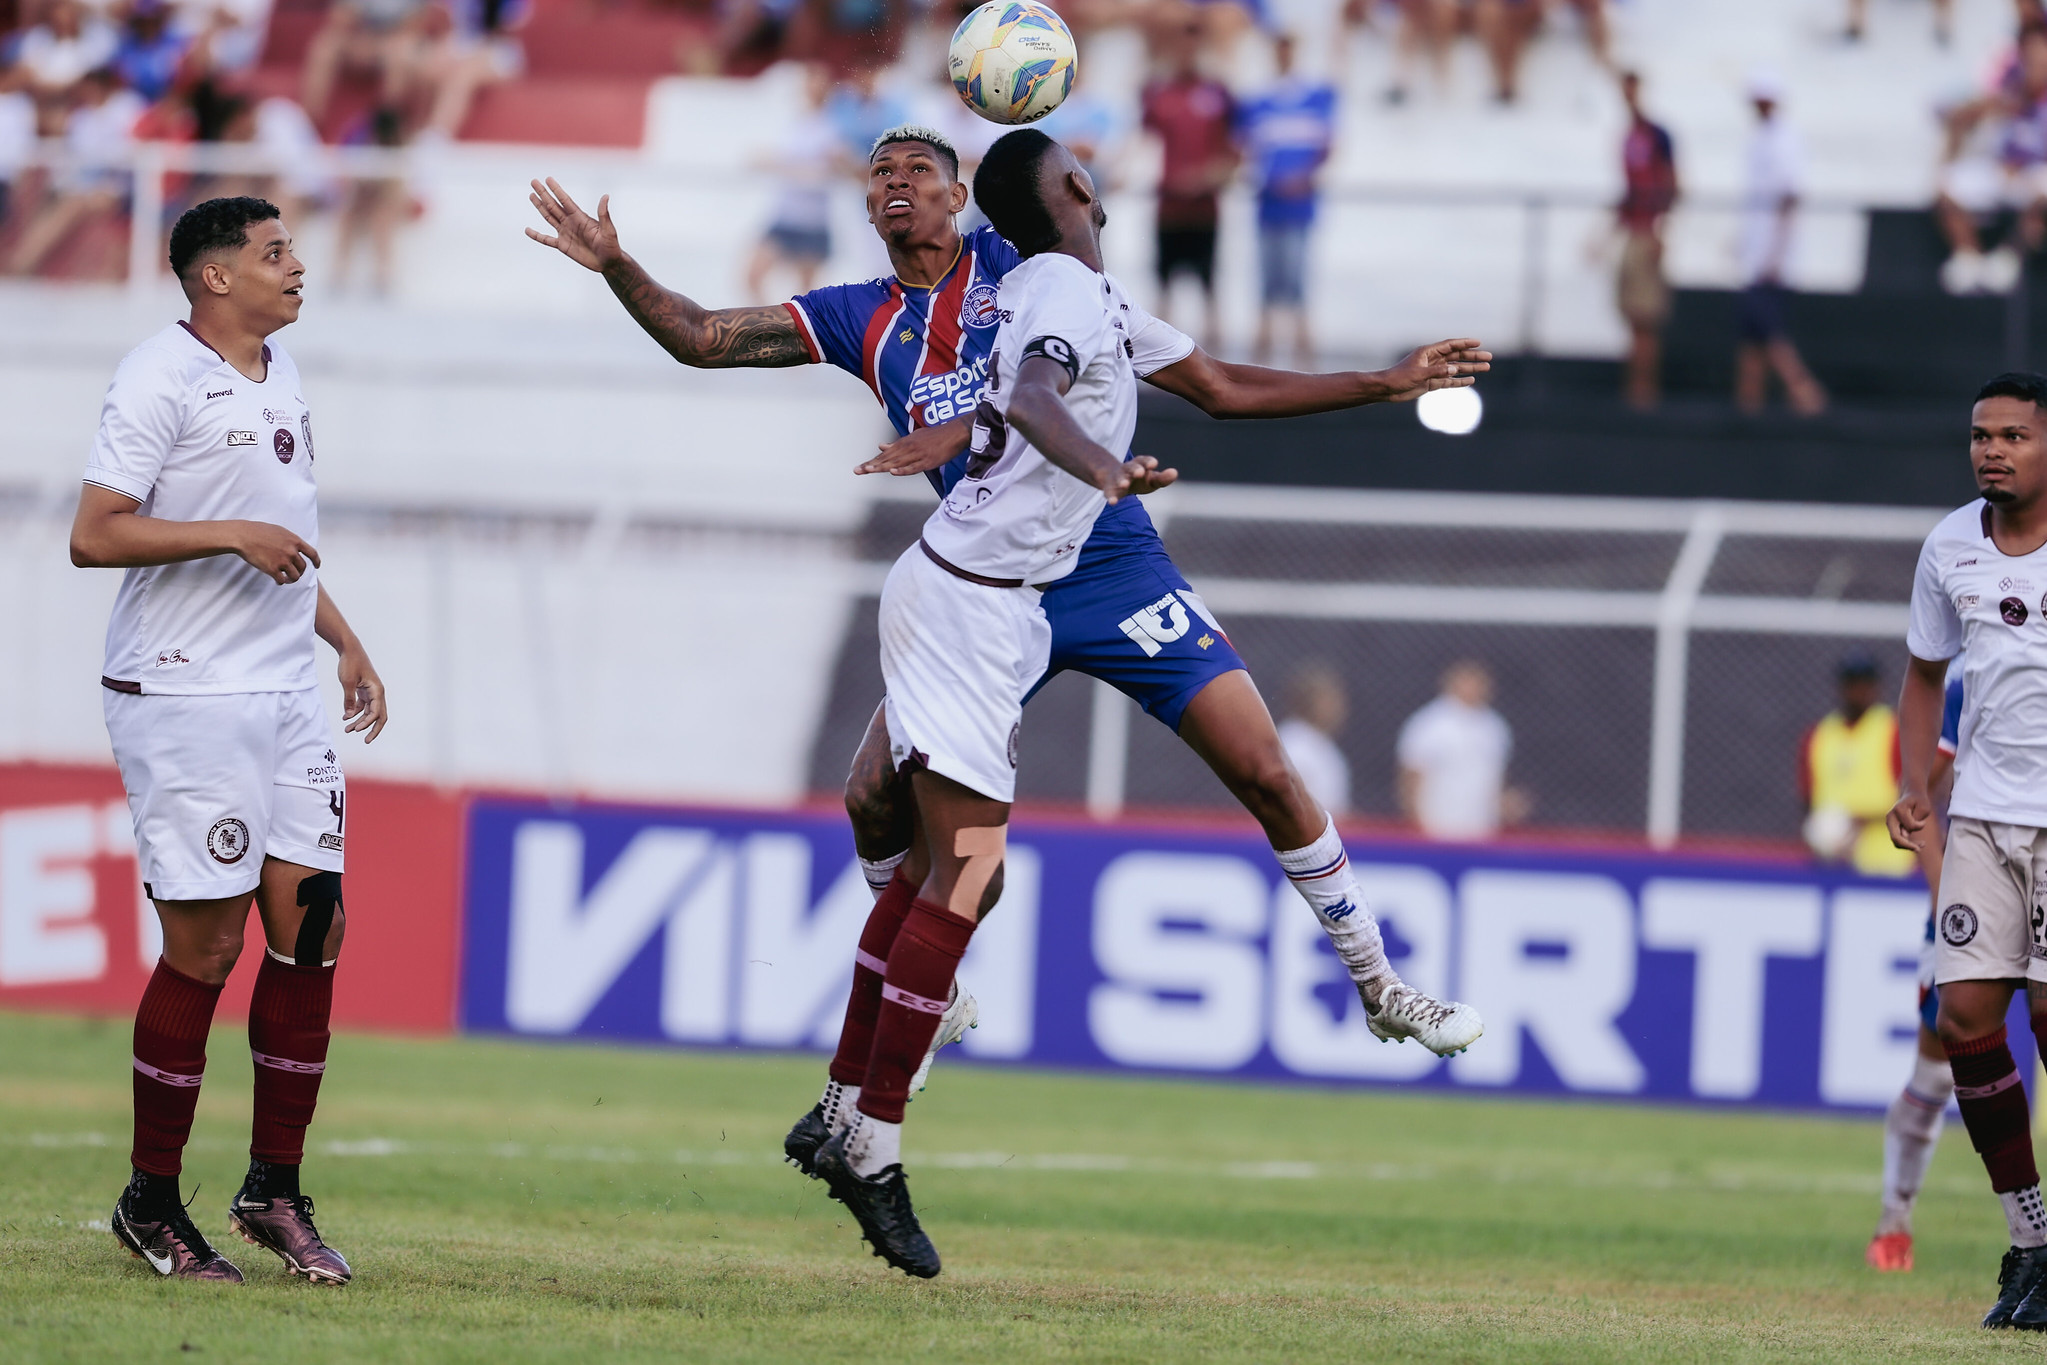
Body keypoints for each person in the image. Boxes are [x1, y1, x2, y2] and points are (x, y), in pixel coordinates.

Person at [524, 126, 1488, 1192]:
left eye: (918, 172)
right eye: (879, 174)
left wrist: (1384, 381)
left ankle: (1381, 983)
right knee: (868, 802)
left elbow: (1210, 382)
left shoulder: (1034, 276)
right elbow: (704, 336)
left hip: (1112, 566)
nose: (896, 184)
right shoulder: (858, 315)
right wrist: (618, 266)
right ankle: (934, 994)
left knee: (1263, 769)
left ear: (960, 199)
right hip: (985, 589)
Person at [69, 196, 387, 1284]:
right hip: (186, 695)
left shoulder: (279, 374)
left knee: (316, 931)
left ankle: (273, 1191)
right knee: (206, 951)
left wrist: (342, 640)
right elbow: (94, 531)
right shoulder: (158, 376)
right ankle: (150, 1200)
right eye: (273, 252)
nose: (297, 265)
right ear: (214, 278)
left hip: (287, 690)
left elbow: (281, 538)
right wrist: (227, 534)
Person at [1889, 369, 2047, 1328]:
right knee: (1963, 1019)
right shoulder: (1949, 542)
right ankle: (2029, 1245)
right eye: (1981, 435)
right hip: (1984, 818)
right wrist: (1916, 785)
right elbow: (1921, 673)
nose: (1992, 449)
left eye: (2013, 436)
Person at [1868, 665, 1963, 1274]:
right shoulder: (1974, 679)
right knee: (1937, 1072)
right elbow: (1923, 797)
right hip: (1980, 888)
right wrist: (1947, 896)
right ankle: (1895, 1216)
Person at [1236, 33, 1335, 367]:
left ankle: (1301, 349)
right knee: (1267, 275)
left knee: (1296, 275)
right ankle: (1265, 347)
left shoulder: (1316, 97)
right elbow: (1246, 147)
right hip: (1269, 201)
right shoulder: (1260, 102)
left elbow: (1327, 146)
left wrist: (1302, 179)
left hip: (1298, 203)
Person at [1734, 71, 1826, 417]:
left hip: (1771, 259)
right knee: (1752, 338)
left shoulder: (1784, 140)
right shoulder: (1762, 139)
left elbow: (1790, 196)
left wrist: (1775, 253)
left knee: (1767, 333)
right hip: (1759, 255)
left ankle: (1806, 395)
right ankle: (1749, 403)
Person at [1141, 16, 1235, 350]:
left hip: (1204, 209)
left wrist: (1203, 178)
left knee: (1209, 287)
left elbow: (1234, 153)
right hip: (1168, 207)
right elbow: (1142, 140)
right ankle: (1163, 362)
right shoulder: (1159, 93)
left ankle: (1219, 363)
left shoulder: (1218, 93)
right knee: (1164, 287)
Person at [1935, 24, 2047, 297]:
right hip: (2001, 172)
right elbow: (1955, 115)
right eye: (2030, 54)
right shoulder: (2008, 88)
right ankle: (1968, 257)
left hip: (2035, 175)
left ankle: (2010, 257)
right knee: (1948, 184)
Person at [1799, 654, 1917, 877]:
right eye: (1851, 683)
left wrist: (1857, 820)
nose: (1857, 690)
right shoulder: (1819, 734)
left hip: (1886, 862)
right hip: (1832, 862)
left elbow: (1915, 796)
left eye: (1864, 683)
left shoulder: (1893, 729)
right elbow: (1808, 797)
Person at [745, 62, 839, 302]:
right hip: (787, 213)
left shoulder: (834, 124)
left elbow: (827, 170)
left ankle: (791, 334)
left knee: (804, 291)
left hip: (811, 219)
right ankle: (769, 328)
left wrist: (779, 165)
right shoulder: (799, 121)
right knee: (753, 276)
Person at [1396, 660, 1519, 840]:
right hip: (1436, 828)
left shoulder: (1495, 727)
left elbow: (1496, 778)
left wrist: (1504, 803)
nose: (1473, 687)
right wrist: (1416, 823)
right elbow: (1410, 778)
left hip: (1481, 829)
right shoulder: (1429, 724)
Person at [1614, 69, 1676, 410]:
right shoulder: (1627, 137)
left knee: (1646, 318)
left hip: (1647, 231)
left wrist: (1661, 229)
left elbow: (1670, 183)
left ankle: (1644, 392)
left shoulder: (1656, 135)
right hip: (1634, 230)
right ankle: (1636, 389)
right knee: (1633, 316)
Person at [1277, 664, 1350, 816]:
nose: (1338, 706)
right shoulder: (1293, 741)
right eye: (1329, 700)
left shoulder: (1321, 742)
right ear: (1309, 700)